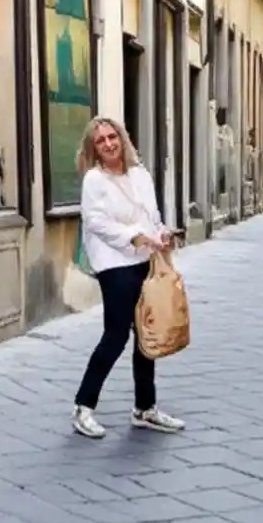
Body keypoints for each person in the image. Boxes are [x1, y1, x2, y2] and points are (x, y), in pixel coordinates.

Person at [72, 116, 185, 439]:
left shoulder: (140, 174)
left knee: (146, 335)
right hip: (114, 263)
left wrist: (162, 236)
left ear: (122, 138)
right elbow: (95, 222)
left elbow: (152, 217)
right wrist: (135, 237)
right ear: (93, 148)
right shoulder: (94, 180)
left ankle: (145, 408)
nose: (108, 143)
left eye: (112, 137)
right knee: (116, 335)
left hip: (145, 262)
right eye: (100, 140)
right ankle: (83, 407)